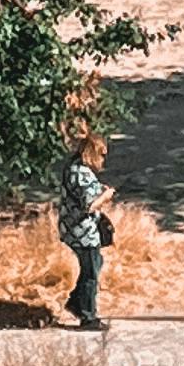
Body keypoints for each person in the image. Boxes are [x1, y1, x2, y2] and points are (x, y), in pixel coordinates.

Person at [55, 138, 113, 331]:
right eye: (102, 155)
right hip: (82, 231)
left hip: (74, 229)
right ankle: (88, 316)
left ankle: (76, 302)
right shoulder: (80, 173)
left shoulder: (74, 168)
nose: (103, 159)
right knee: (91, 273)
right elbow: (89, 205)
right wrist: (105, 196)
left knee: (95, 264)